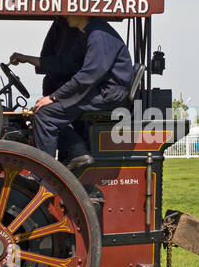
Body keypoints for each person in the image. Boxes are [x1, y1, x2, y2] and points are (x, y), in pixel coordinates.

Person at [29, 16, 133, 173]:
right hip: (101, 90)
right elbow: (66, 64)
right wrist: (27, 59)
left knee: (44, 114)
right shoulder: (89, 33)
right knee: (46, 110)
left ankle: (43, 174)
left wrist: (53, 97)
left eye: (67, 11)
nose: (63, 16)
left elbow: (90, 74)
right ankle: (77, 152)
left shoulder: (99, 34)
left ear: (80, 11)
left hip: (109, 94)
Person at [9, 17, 87, 96]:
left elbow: (67, 63)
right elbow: (47, 54)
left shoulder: (88, 30)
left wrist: (27, 59)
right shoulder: (60, 22)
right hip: (54, 86)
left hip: (74, 88)